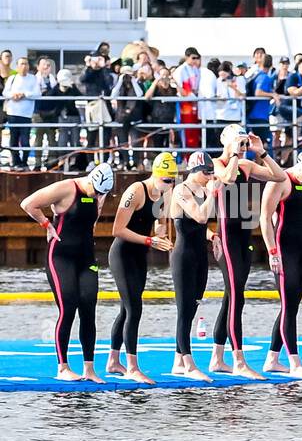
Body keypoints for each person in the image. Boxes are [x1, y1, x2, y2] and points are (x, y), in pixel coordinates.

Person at [19, 163, 115, 381]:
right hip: (60, 256)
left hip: (86, 257)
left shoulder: (100, 194)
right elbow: (28, 204)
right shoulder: (66, 188)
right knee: (68, 307)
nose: (98, 196)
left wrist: (97, 202)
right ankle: (62, 368)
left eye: (103, 194)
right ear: (91, 180)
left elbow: (90, 221)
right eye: (97, 191)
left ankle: (89, 369)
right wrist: (46, 224)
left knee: (89, 308)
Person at [210, 125, 286, 378]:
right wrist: (233, 153)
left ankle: (217, 358)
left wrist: (261, 153)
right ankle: (239, 361)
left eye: (243, 144)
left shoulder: (247, 165)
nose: (242, 148)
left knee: (231, 298)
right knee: (237, 298)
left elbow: (279, 177)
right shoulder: (217, 164)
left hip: (244, 236)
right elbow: (228, 178)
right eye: (238, 143)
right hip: (227, 239)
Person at [106, 153, 178, 383]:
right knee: (135, 308)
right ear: (155, 175)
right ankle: (132, 367)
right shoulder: (136, 191)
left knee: (127, 309)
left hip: (139, 255)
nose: (171, 185)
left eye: (173, 180)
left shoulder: (163, 193)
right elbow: (117, 229)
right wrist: (149, 241)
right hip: (122, 254)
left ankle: (113, 361)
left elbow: (156, 219)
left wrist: (159, 232)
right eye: (167, 180)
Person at [260, 150, 302, 378]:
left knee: (292, 307)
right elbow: (265, 218)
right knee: (289, 307)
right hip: (284, 250)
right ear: (300, 165)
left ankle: (272, 359)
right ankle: (294, 363)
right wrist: (272, 252)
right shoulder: (280, 180)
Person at [167, 153, 222, 381]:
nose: (209, 176)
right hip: (183, 257)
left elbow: (200, 228)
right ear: (193, 171)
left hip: (200, 255)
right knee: (184, 310)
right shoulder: (181, 190)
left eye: (211, 172)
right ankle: (189, 364)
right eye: (206, 172)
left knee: (193, 307)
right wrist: (213, 192)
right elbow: (199, 217)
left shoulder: (202, 191)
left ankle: (178, 361)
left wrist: (213, 236)